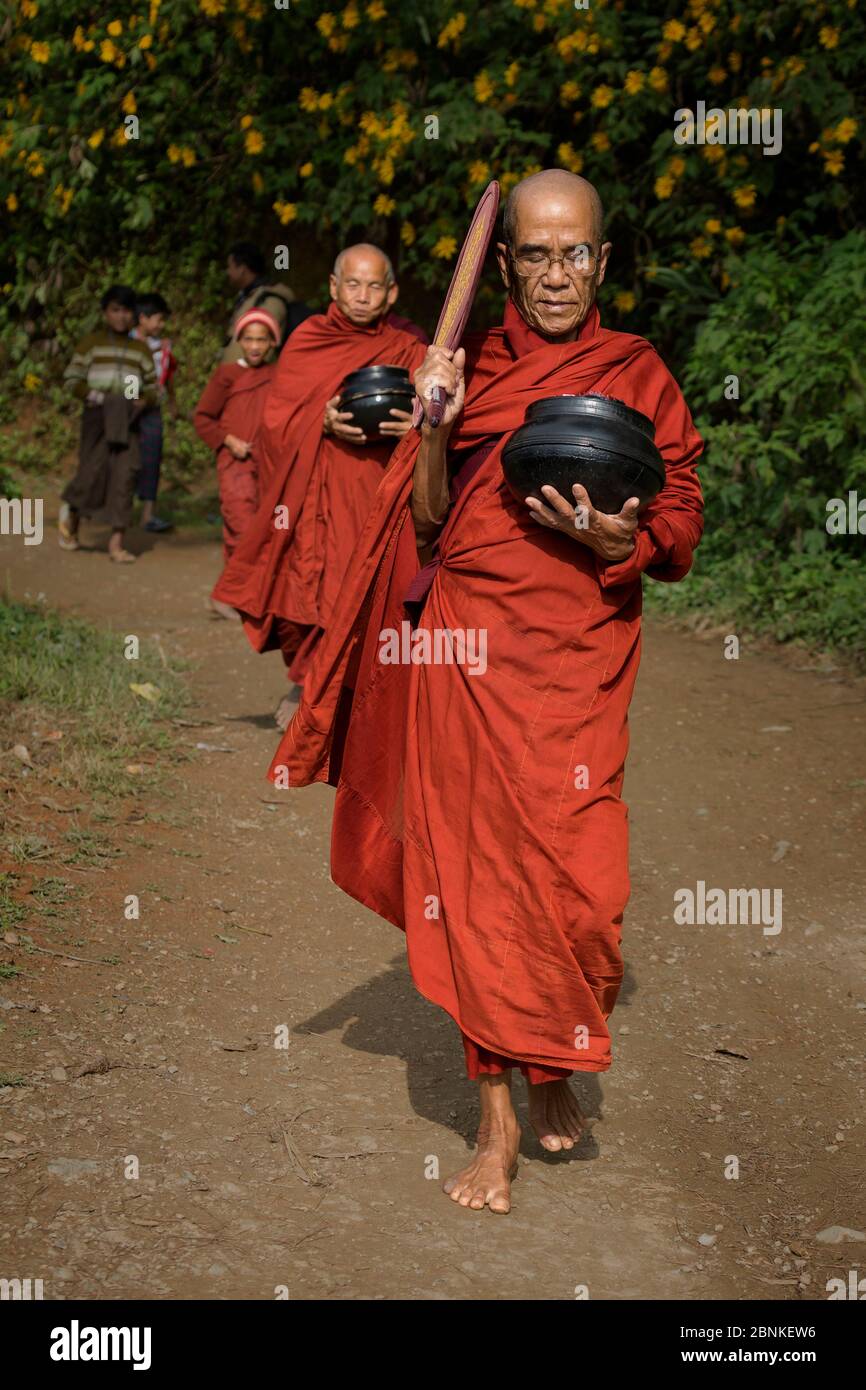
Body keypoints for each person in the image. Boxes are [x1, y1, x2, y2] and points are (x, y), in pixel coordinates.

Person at [272, 171, 704, 1213]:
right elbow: (422, 524)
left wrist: (624, 539)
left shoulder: (633, 370)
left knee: (583, 890)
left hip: (577, 660)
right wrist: (431, 427)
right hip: (467, 653)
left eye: (575, 254)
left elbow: (680, 503)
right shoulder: (465, 368)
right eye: (537, 254)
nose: (556, 275)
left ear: (601, 262)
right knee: (471, 880)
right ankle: (496, 1119)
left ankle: (552, 1060)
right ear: (503, 264)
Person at [212, 243, 428, 729]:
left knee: (370, 587)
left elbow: (434, 412)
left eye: (375, 286)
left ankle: (361, 695)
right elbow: (276, 422)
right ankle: (307, 681)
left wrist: (413, 421)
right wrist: (322, 419)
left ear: (391, 292)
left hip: (376, 490)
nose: (363, 296)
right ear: (334, 287)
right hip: (316, 488)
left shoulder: (410, 344)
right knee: (312, 585)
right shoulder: (308, 337)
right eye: (352, 284)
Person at [58, 284, 157, 563]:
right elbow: (72, 379)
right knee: (91, 473)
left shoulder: (140, 350)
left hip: (128, 419)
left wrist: (139, 401)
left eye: (127, 310)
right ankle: (72, 520)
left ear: (134, 315)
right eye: (115, 310)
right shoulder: (92, 344)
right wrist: (95, 396)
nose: (121, 316)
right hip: (96, 417)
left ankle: (116, 544)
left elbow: (151, 388)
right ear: (105, 313)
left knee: (125, 476)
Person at [192, 308, 280, 617]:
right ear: (239, 341)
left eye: (262, 340)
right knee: (242, 528)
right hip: (234, 463)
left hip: (265, 465)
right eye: (249, 339)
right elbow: (203, 418)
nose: (255, 346)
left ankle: (237, 598)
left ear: (272, 343)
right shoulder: (226, 374)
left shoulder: (277, 375)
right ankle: (224, 596)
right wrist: (229, 441)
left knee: (255, 529)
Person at [131, 291, 178, 534]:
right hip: (128, 409)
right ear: (142, 318)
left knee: (152, 458)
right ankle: (118, 509)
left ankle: (147, 515)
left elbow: (168, 374)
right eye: (158, 320)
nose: (161, 325)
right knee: (125, 458)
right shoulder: (125, 342)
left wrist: (172, 401)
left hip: (152, 410)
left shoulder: (164, 347)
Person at [222, 242, 313, 364]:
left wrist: (234, 378)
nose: (228, 272)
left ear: (242, 269)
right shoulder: (249, 297)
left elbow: (258, 351)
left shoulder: (269, 302)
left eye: (230, 266)